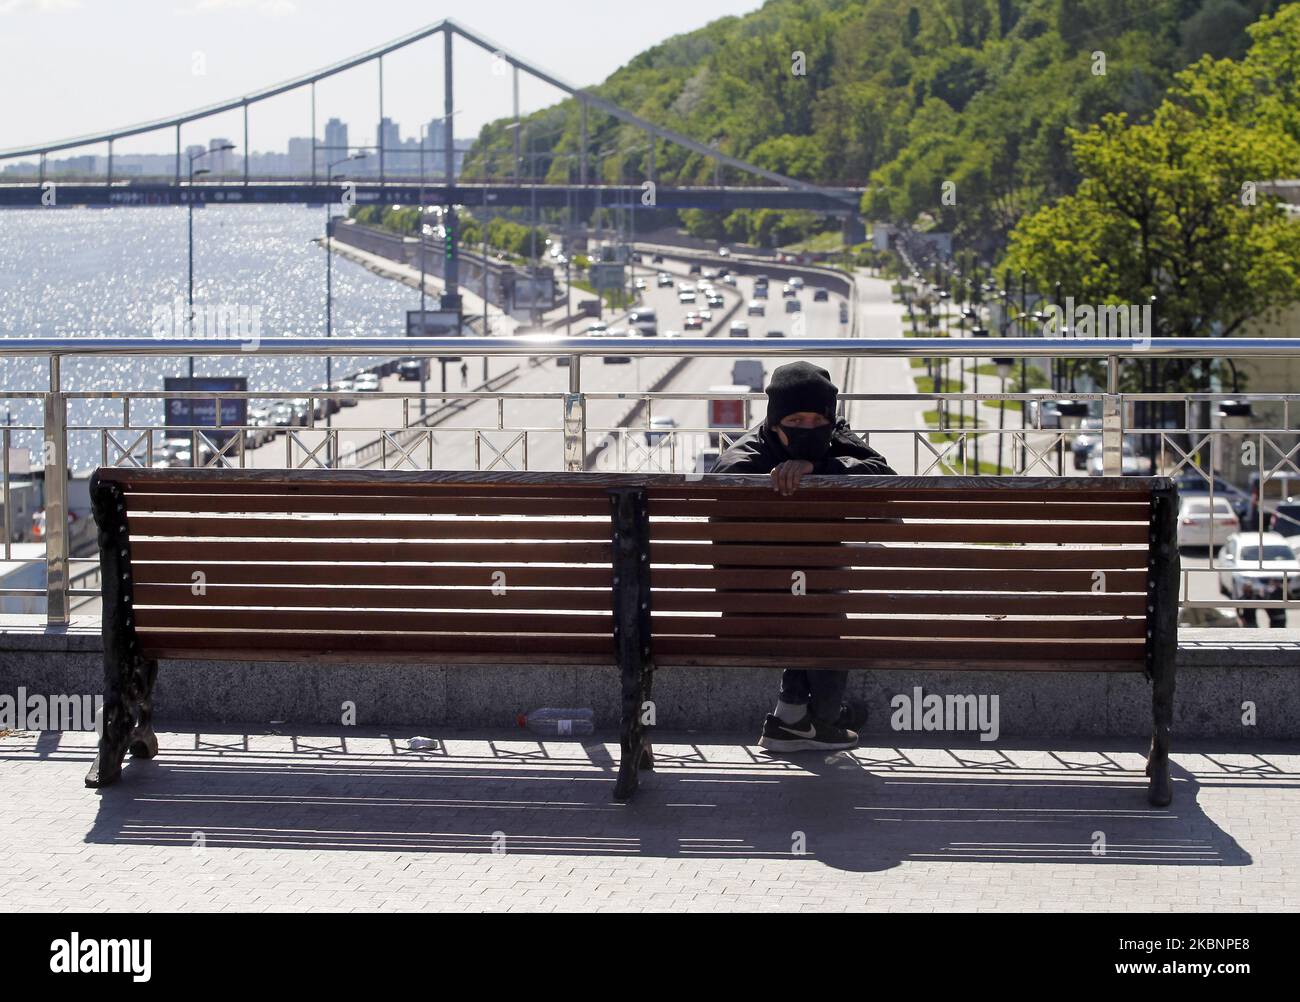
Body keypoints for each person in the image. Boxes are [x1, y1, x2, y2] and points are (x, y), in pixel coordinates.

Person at [709, 361, 896, 752]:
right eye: (796, 420)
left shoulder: (832, 437)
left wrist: (817, 468)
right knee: (821, 587)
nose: (809, 428)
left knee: (818, 582)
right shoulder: (747, 460)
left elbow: (884, 476)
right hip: (759, 599)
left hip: (803, 594)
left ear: (830, 420)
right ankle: (822, 717)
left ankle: (795, 715)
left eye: (818, 420)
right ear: (775, 420)